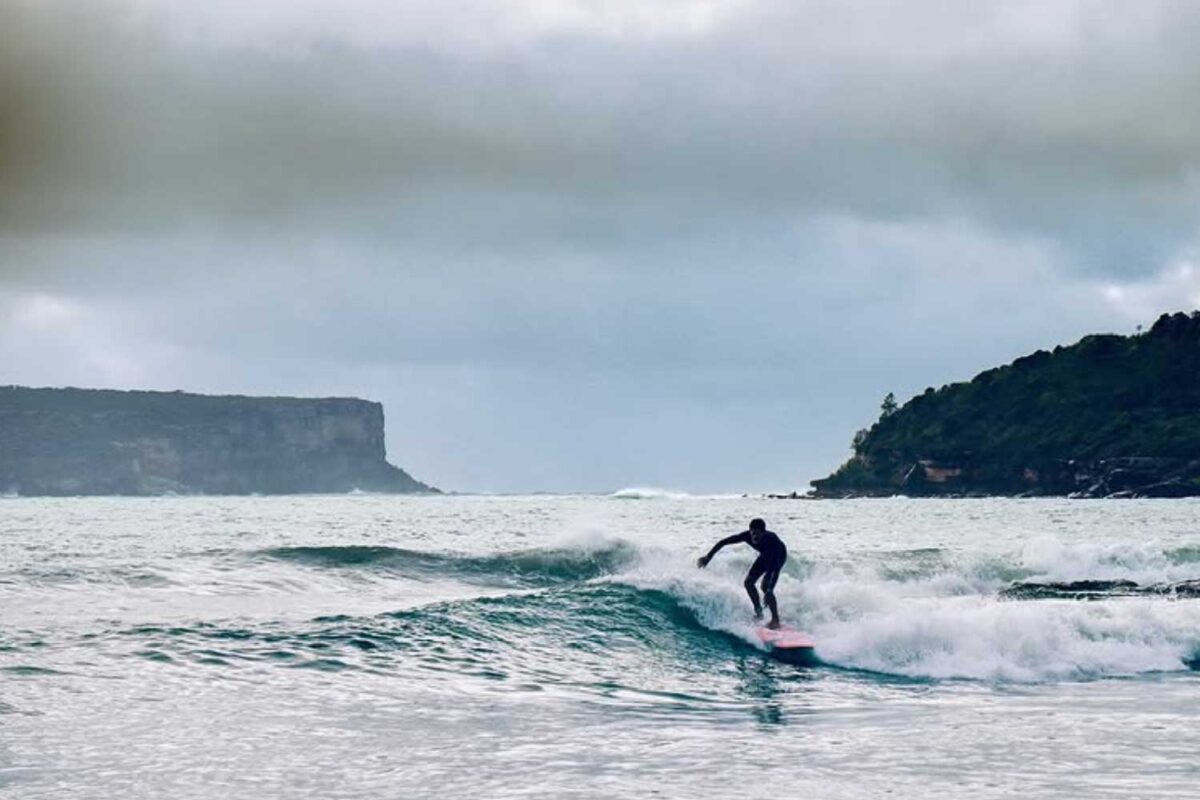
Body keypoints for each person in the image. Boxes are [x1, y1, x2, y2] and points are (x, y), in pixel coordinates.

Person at [697, 518, 787, 629]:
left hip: (778, 556)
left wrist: (770, 589)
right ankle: (759, 612)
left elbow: (775, 569)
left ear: (763, 533)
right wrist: (709, 556)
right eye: (753, 533)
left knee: (765, 586)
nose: (755, 537)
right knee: (748, 583)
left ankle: (775, 619)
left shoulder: (772, 540)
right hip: (764, 555)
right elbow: (723, 542)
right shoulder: (746, 536)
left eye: (758, 534)